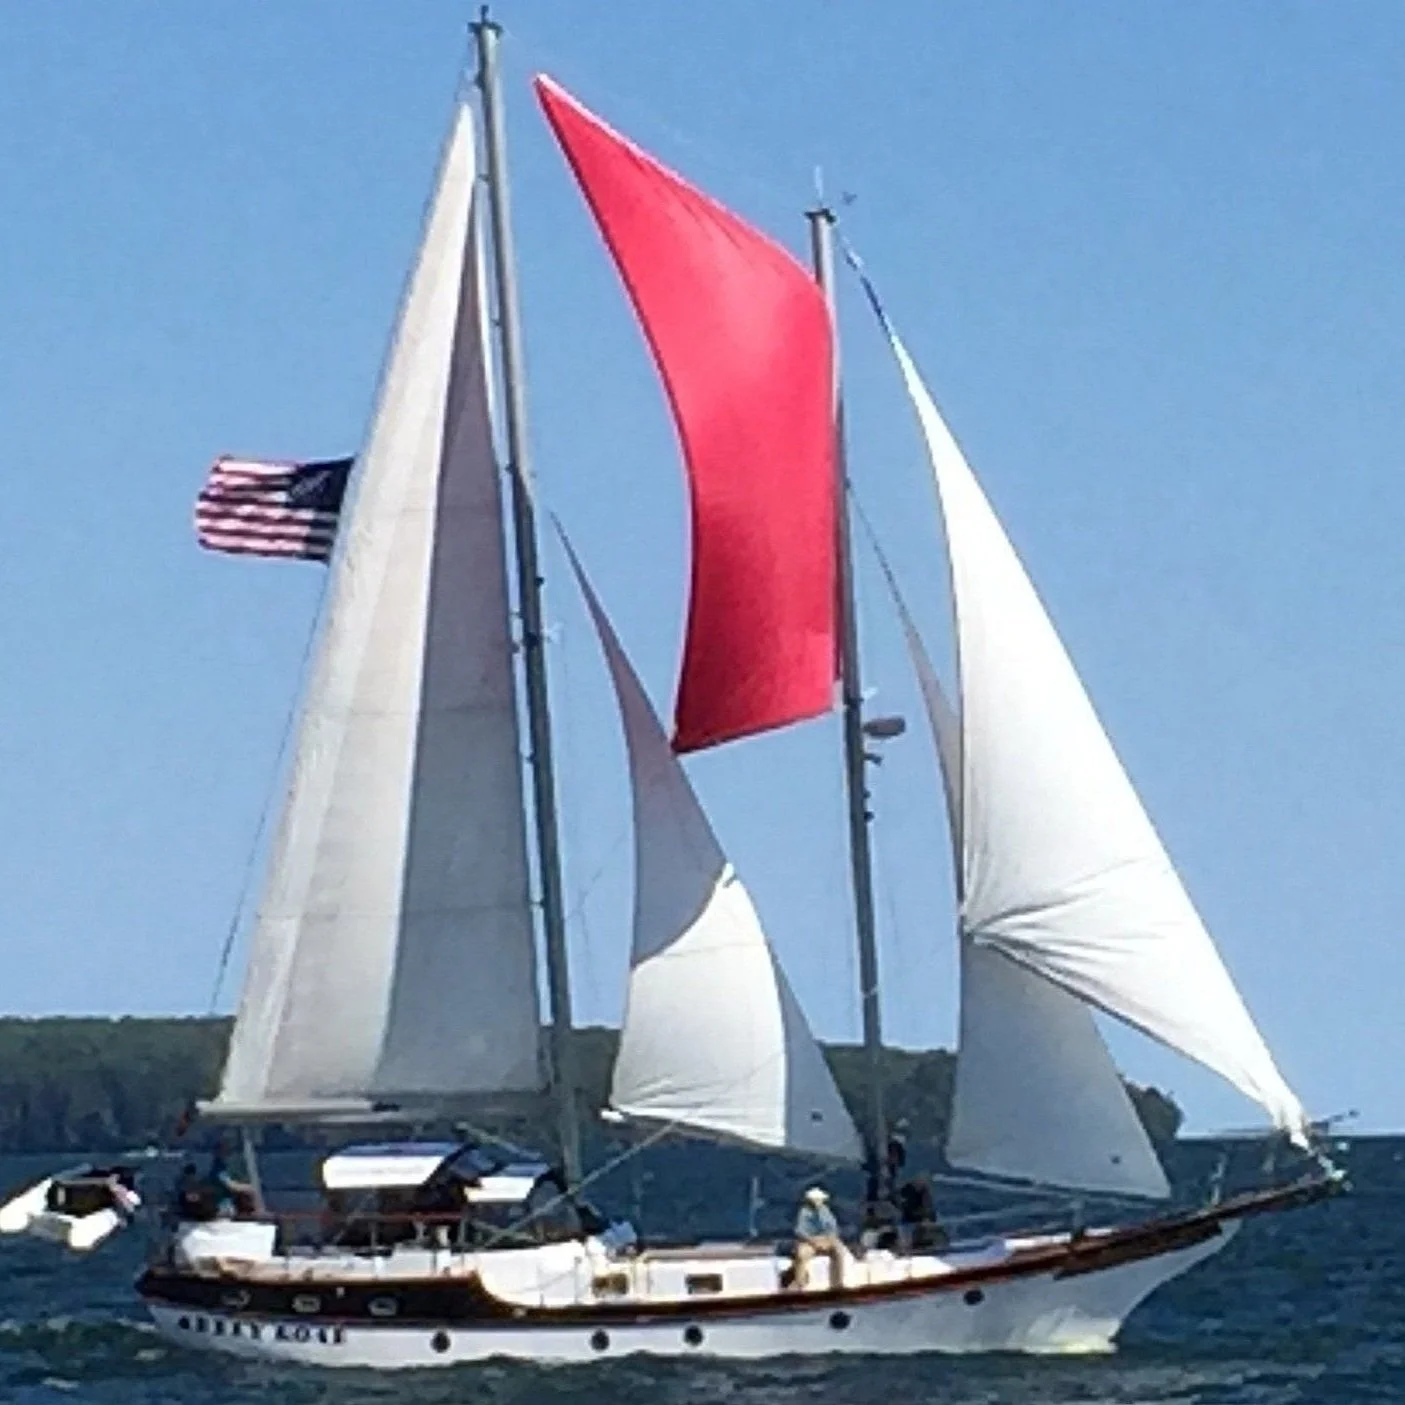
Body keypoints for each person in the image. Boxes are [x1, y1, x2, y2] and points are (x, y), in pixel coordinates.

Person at [791, 1186, 845, 1290]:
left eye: (819, 1199)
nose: (817, 1201)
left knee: (839, 1251)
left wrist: (828, 1240)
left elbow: (833, 1229)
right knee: (801, 1254)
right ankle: (800, 1284)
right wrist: (814, 1242)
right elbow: (800, 1231)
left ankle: (837, 1283)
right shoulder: (804, 1212)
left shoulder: (826, 1211)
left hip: (826, 1240)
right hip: (809, 1242)